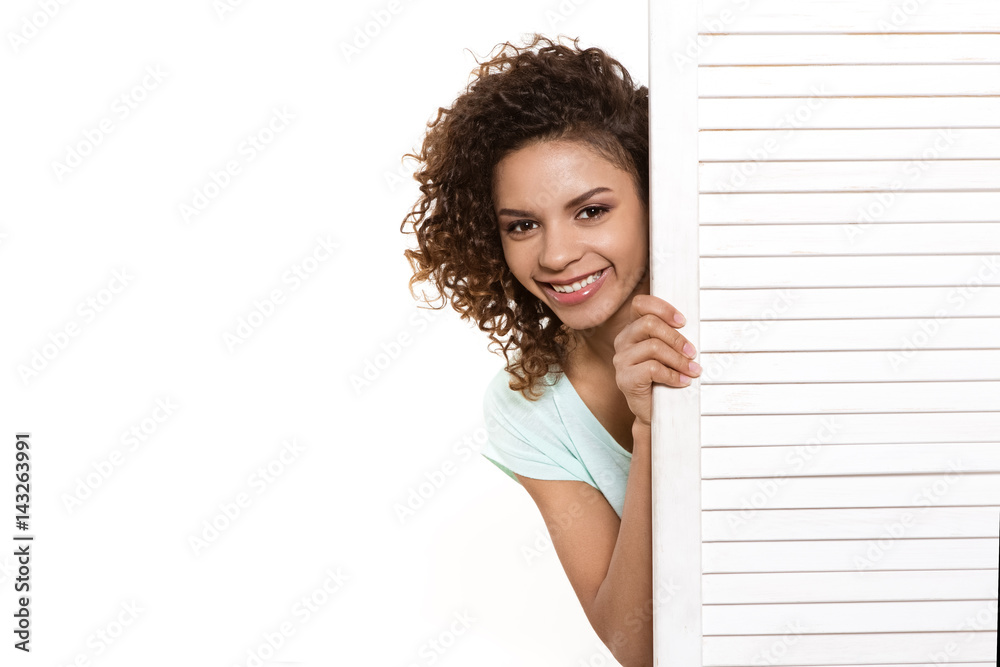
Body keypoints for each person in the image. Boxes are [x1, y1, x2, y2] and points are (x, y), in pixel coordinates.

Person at [399, 34, 700, 667]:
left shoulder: (742, 314)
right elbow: (638, 647)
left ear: (656, 198)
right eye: (523, 225)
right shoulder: (528, 406)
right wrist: (652, 426)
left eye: (590, 211)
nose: (556, 255)